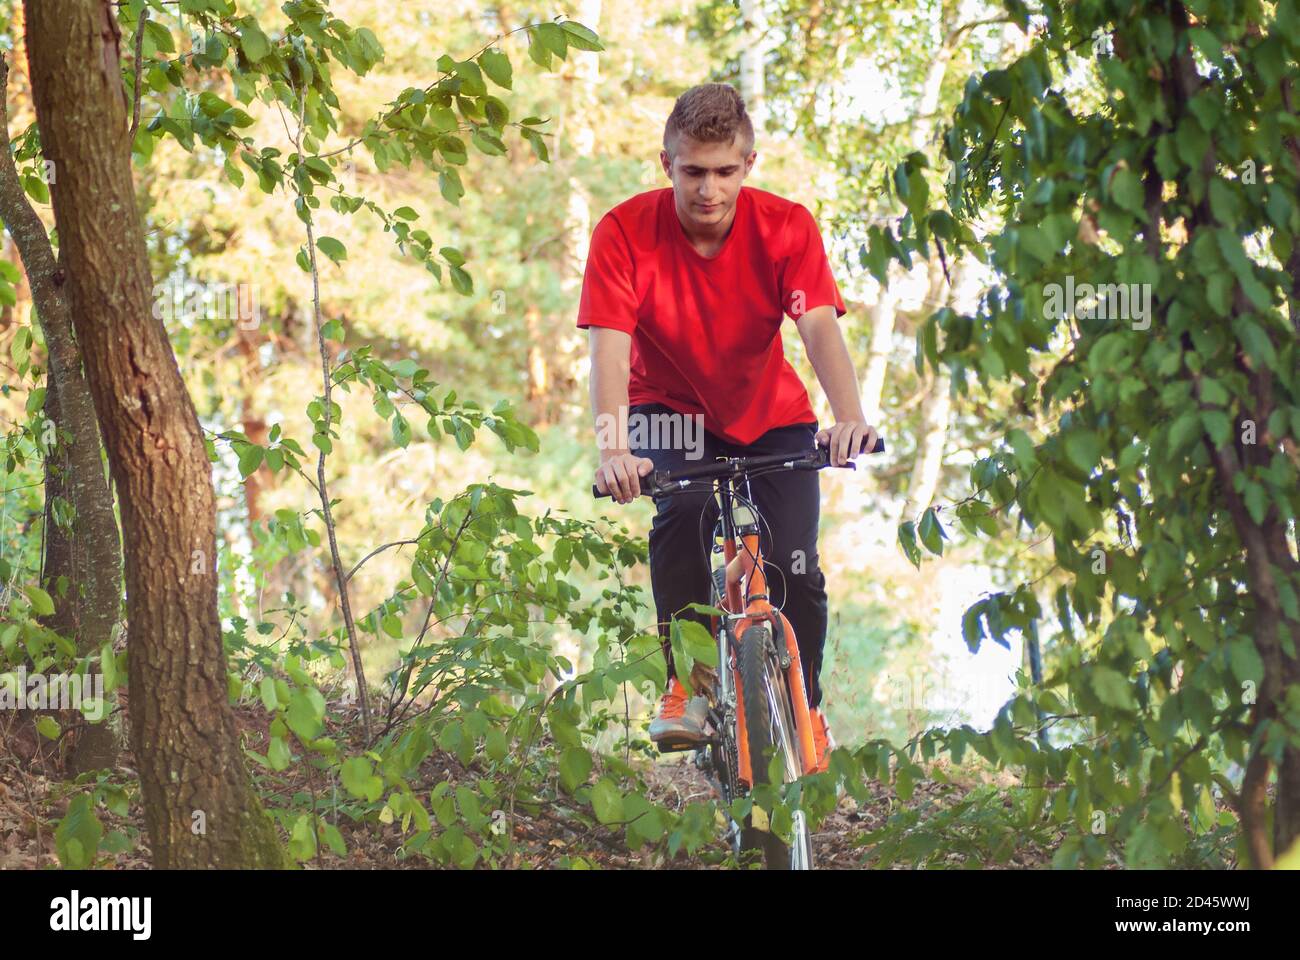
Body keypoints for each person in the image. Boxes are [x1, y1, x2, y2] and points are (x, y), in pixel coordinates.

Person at [579, 82, 879, 773]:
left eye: (723, 171)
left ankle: (806, 707)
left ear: (748, 164)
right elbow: (610, 350)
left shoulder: (786, 227)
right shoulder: (623, 234)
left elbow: (818, 327)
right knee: (679, 510)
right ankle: (689, 680)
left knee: (795, 566)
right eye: (692, 171)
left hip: (770, 417)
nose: (708, 189)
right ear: (666, 164)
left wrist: (850, 419)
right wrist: (614, 449)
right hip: (669, 413)